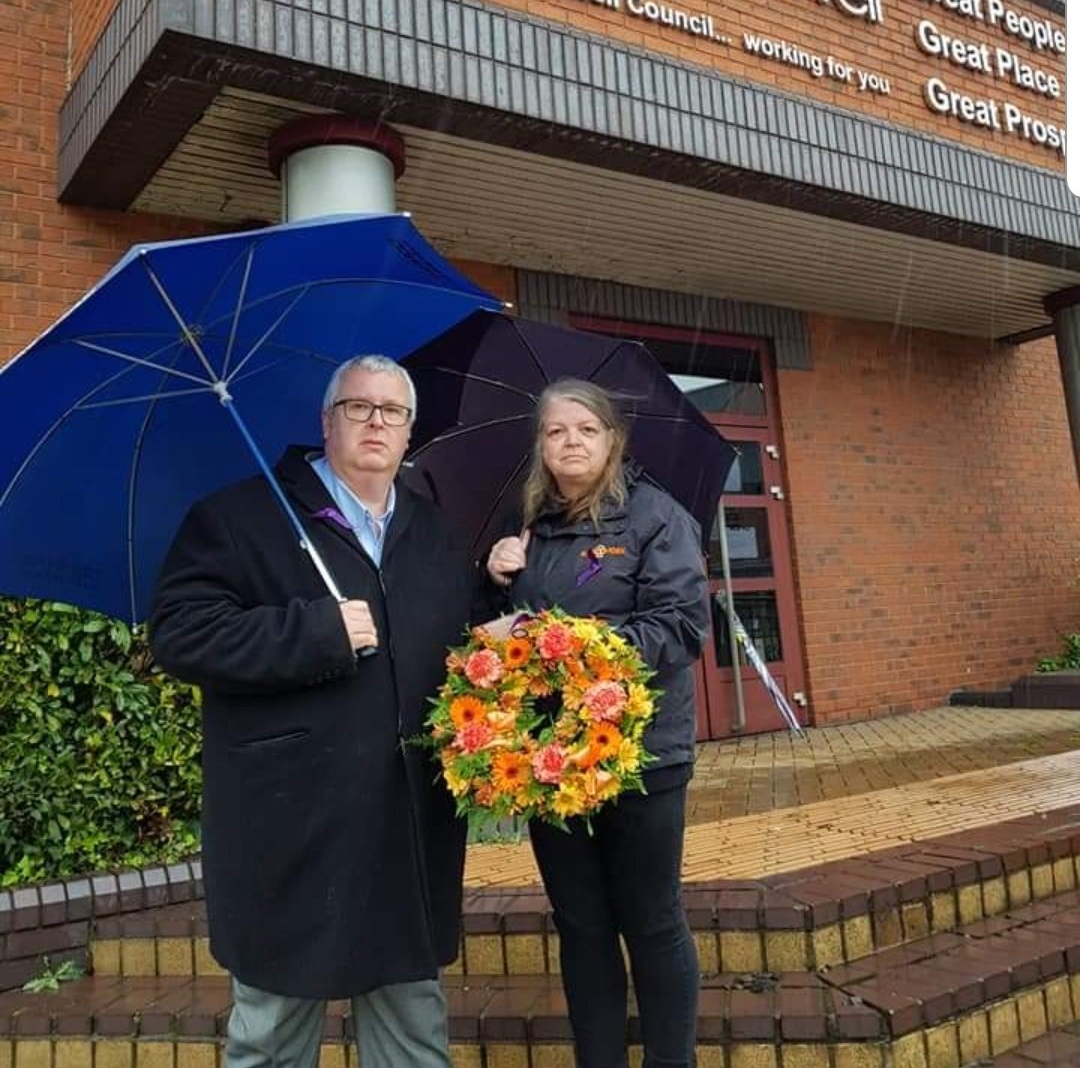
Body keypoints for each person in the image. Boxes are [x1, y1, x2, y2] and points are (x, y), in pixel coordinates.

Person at [151, 354, 472, 1068]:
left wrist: (497, 623)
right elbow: (180, 634)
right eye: (359, 407)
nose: (376, 423)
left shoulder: (436, 533)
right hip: (291, 826)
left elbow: (453, 648)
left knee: (414, 1037)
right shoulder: (239, 518)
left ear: (410, 432)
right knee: (270, 1036)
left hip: (406, 827)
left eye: (392, 411)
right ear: (327, 423)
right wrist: (317, 633)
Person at [485, 378, 710, 1068]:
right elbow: (499, 646)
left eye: (585, 428)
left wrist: (559, 638)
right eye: (555, 432)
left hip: (643, 756)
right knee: (581, 926)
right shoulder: (531, 531)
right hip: (554, 764)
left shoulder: (656, 517)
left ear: (612, 439)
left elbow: (679, 629)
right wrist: (492, 579)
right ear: (541, 446)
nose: (570, 442)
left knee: (651, 920)